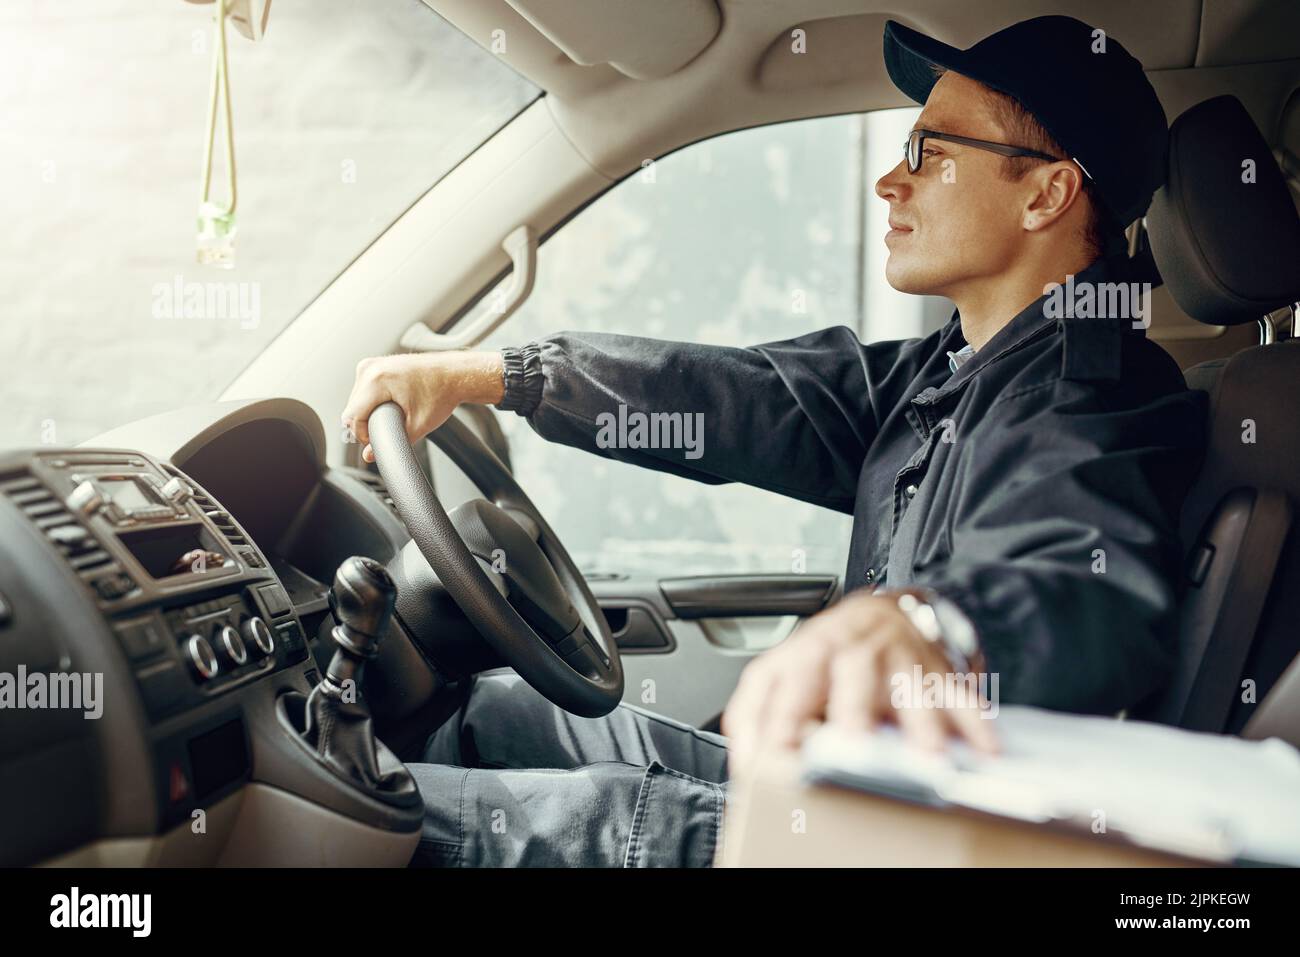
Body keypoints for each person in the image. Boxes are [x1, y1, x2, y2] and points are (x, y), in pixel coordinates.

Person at [341, 16, 1205, 867]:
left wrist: (934, 624)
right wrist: (504, 374)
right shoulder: (959, 366)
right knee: (503, 714)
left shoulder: (1093, 392)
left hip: (909, 840)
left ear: (1046, 194)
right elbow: (741, 397)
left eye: (931, 154)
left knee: (393, 819)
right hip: (847, 790)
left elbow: (1076, 567)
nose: (889, 186)